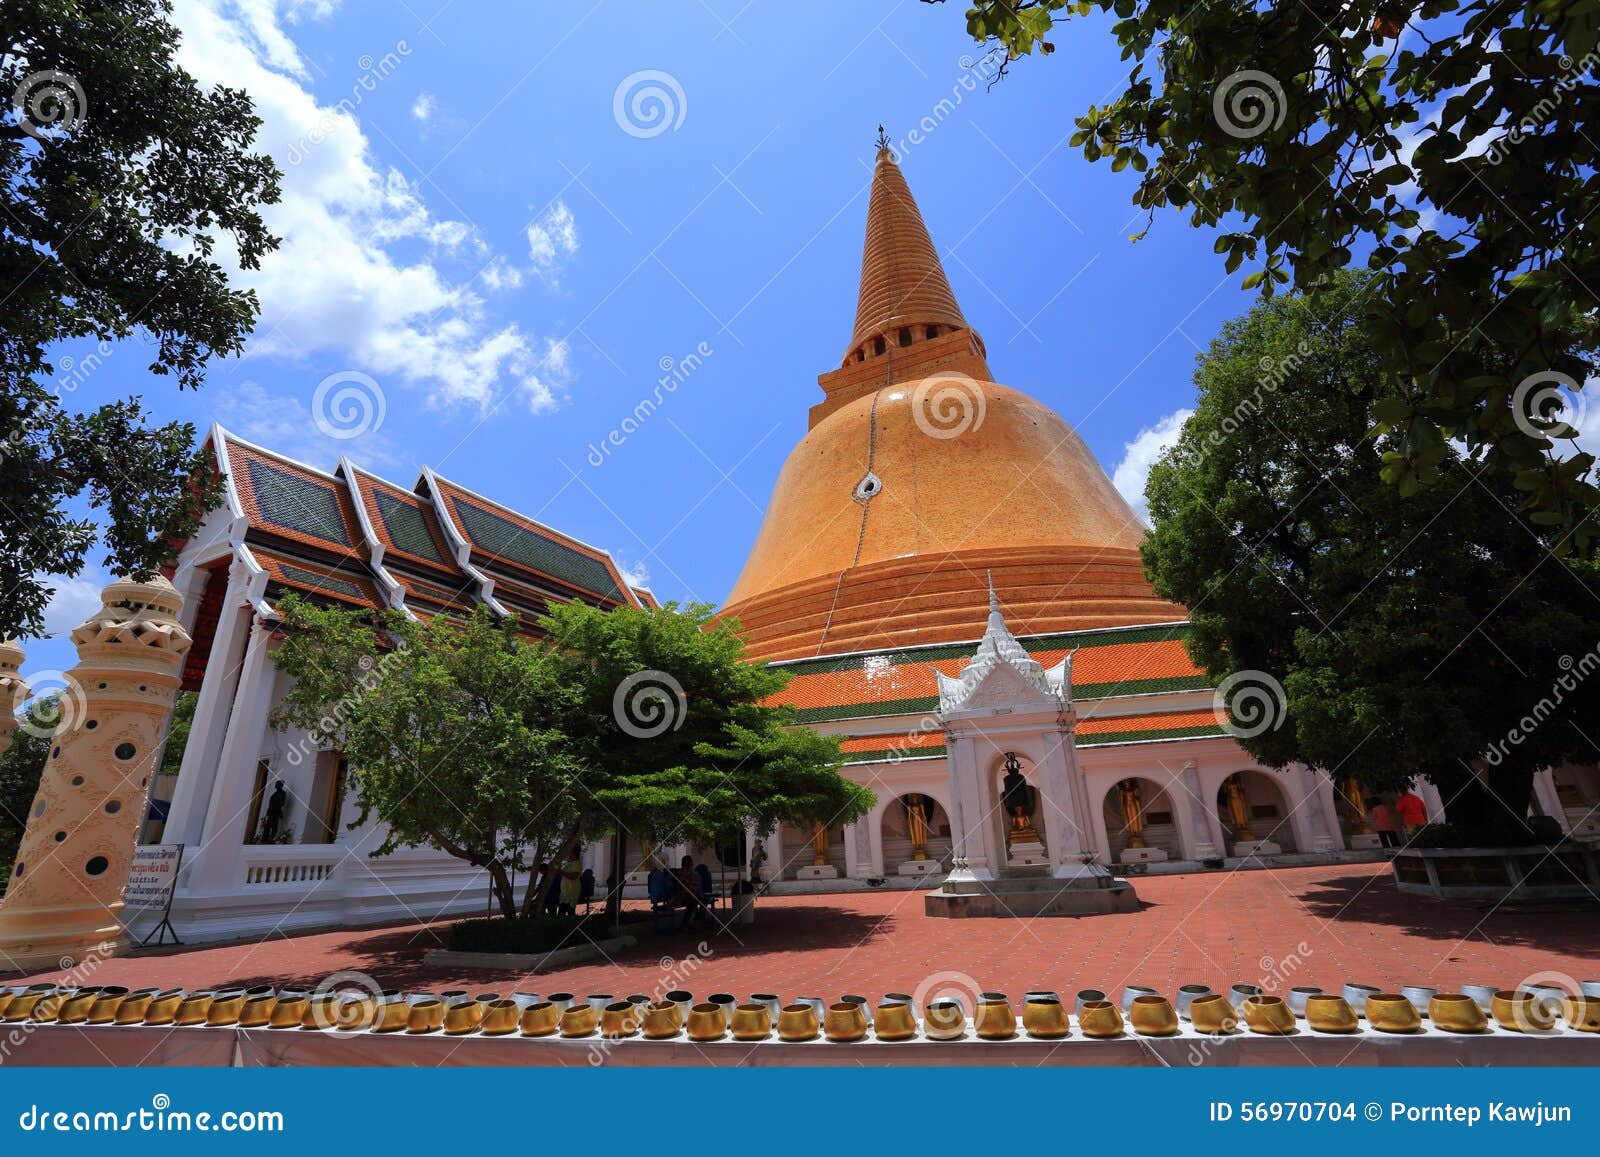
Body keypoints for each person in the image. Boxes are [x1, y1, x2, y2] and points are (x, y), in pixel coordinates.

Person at [672, 855, 703, 930]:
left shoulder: (690, 873)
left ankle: (691, 921)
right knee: (695, 901)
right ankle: (688, 923)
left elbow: (693, 885)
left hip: (687, 895)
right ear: (690, 864)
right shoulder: (683, 873)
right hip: (681, 897)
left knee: (700, 900)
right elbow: (686, 887)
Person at [557, 846, 582, 917]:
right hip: (565, 892)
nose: (568, 854)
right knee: (561, 912)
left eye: (569, 852)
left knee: (570, 911)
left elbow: (573, 876)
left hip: (571, 891)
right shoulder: (569, 863)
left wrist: (561, 871)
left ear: (573, 853)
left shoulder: (576, 863)